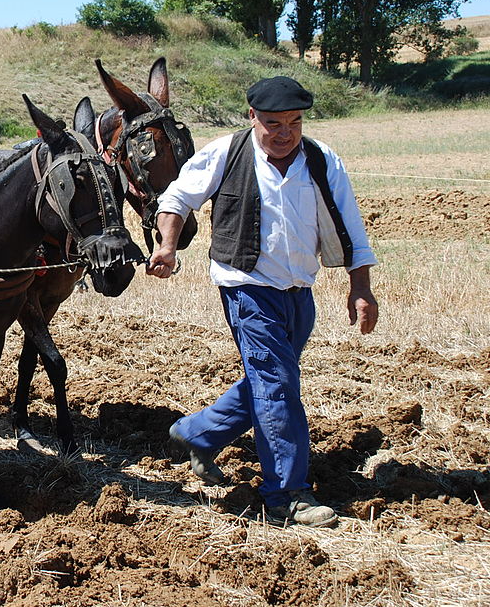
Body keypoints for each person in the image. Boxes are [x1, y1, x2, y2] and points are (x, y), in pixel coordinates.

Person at [147, 75, 378, 528]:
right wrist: (168, 245)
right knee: (277, 385)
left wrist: (361, 285)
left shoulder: (321, 159)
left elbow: (350, 225)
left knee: (270, 377)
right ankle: (286, 494)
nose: (284, 132)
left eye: (294, 122)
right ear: (252, 116)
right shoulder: (226, 153)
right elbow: (176, 197)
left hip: (298, 290)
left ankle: (197, 433)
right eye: (273, 122)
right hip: (246, 286)